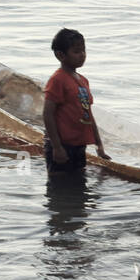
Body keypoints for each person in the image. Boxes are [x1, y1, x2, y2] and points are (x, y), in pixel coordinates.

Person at [42, 28, 106, 174]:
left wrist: (98, 144)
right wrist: (57, 147)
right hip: (62, 145)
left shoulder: (83, 81)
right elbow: (48, 114)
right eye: (76, 52)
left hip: (79, 144)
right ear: (60, 55)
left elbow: (88, 114)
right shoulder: (57, 80)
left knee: (78, 182)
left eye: (84, 50)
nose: (82, 55)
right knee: (60, 184)